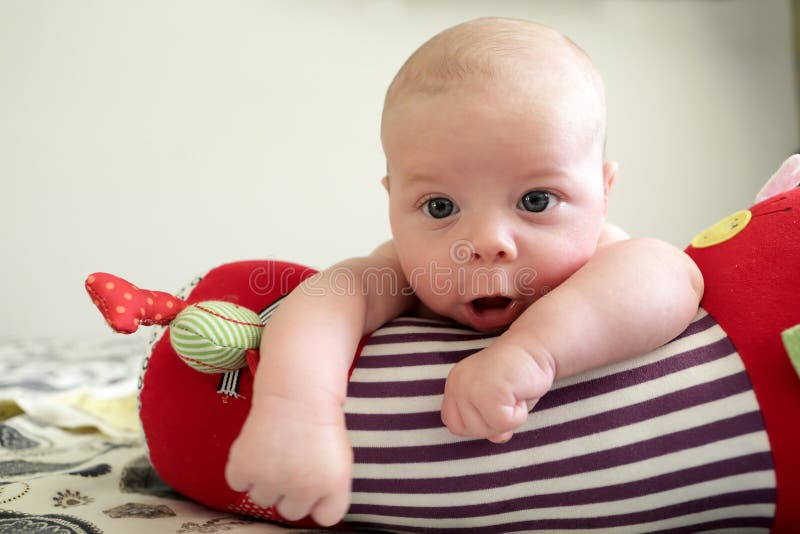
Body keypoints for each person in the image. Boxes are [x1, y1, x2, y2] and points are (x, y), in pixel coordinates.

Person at [225, 17, 704, 527]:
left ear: (604, 193)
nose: (487, 242)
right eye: (440, 207)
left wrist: (533, 353)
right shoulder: (403, 270)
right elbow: (325, 299)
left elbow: (674, 276)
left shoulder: (606, 259)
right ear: (393, 201)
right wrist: (296, 412)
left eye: (536, 200)